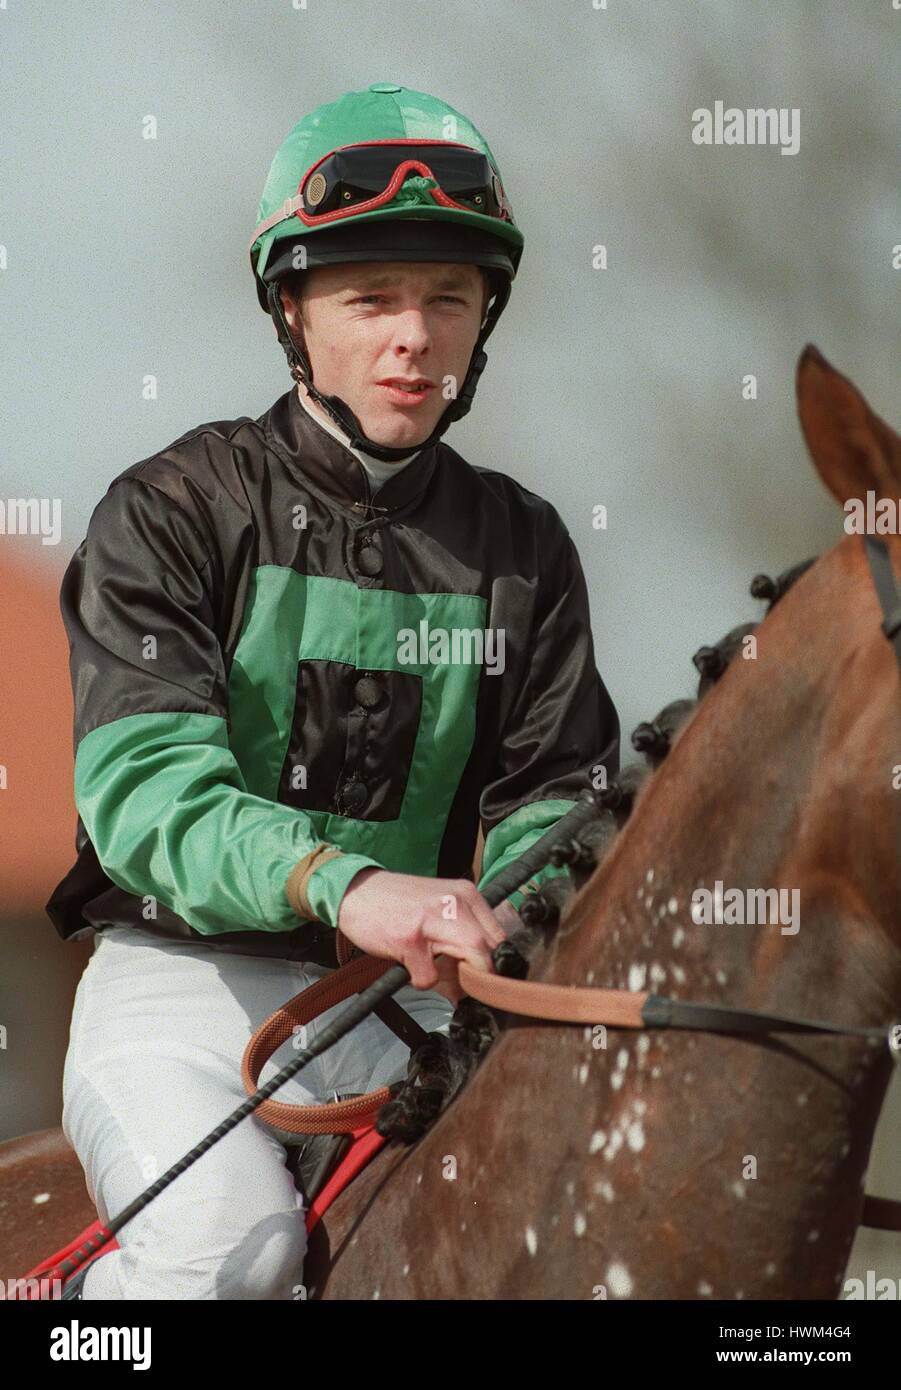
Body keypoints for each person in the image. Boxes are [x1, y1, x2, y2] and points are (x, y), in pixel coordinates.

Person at [46, 82, 620, 1299]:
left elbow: (556, 805)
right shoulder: (170, 510)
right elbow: (148, 794)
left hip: (407, 1003)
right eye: (372, 299)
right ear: (293, 314)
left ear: (481, 323)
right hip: (183, 999)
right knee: (231, 1257)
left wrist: (512, 914)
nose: (413, 335)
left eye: (447, 300)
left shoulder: (524, 547)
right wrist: (344, 884)